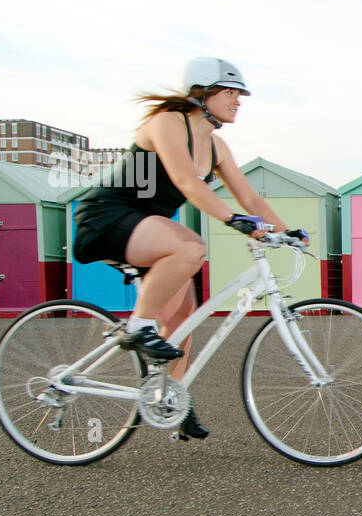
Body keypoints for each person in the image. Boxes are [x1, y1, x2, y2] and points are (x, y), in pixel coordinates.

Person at [72, 57, 306, 438]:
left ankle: (171, 399)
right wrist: (232, 220)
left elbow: (252, 199)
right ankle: (138, 326)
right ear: (202, 92)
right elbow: (185, 181)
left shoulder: (216, 146)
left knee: (183, 321)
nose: (238, 101)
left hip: (152, 229)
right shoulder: (167, 121)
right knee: (191, 248)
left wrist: (287, 231)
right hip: (110, 217)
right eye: (230, 93)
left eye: (239, 94)